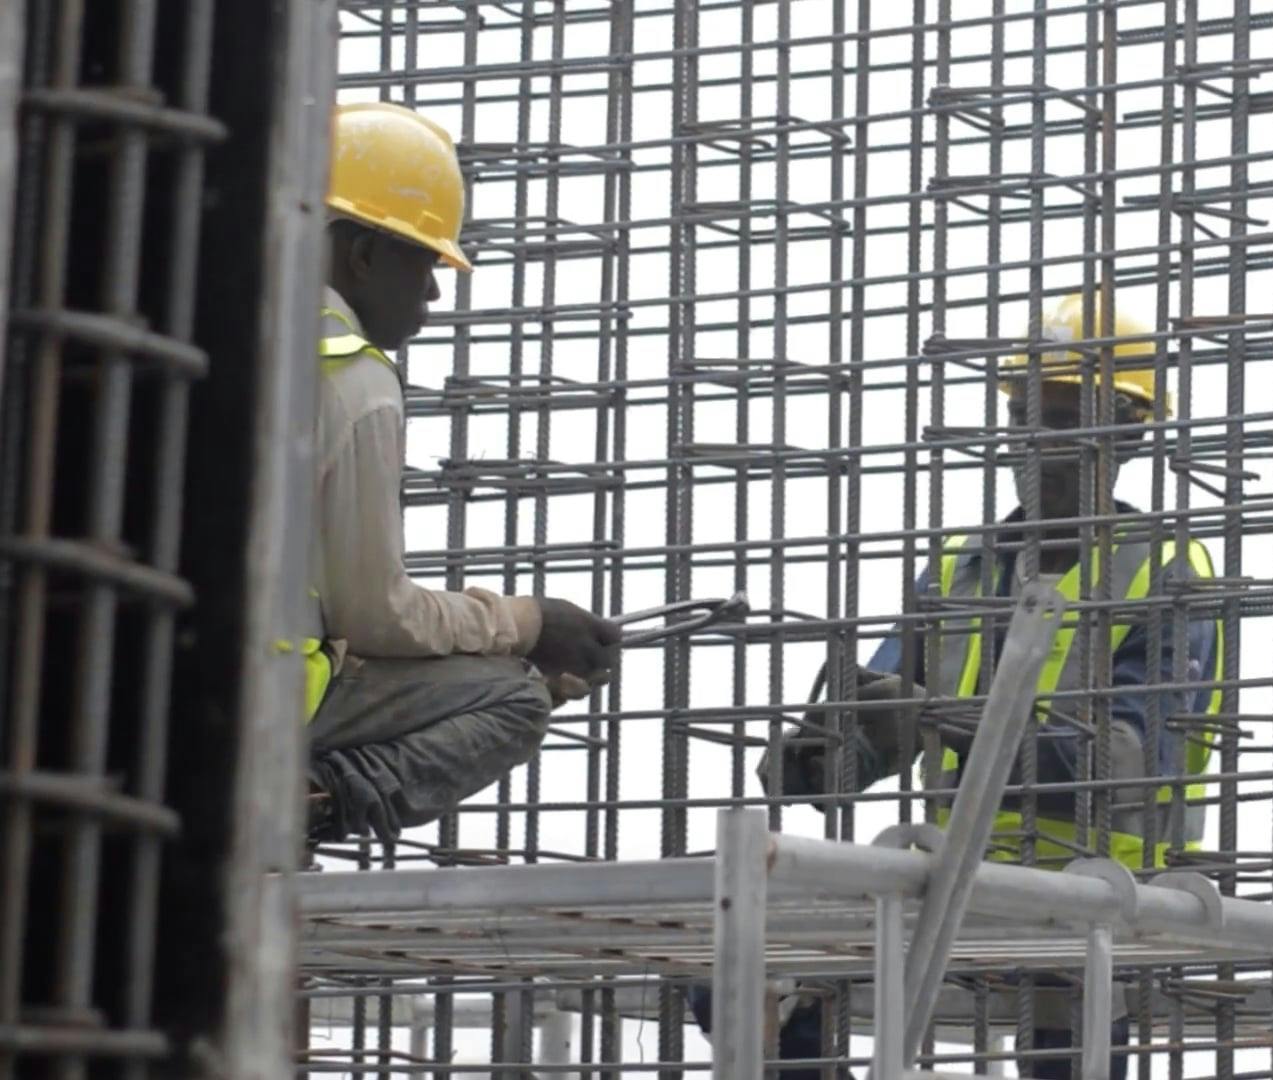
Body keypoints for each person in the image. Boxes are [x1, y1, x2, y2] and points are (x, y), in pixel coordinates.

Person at [692, 295, 1225, 1078]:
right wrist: (824, 754)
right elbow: (884, 706)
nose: (1042, 439)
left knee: (1064, 1048)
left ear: (1129, 433)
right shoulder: (959, 568)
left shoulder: (1166, 572)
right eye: (1028, 414)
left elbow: (1127, 762)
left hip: (1106, 899)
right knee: (733, 974)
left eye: (1069, 415)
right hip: (958, 884)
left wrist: (944, 723)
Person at [301, 102, 623, 846]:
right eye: (424, 260)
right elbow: (375, 614)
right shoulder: (353, 375)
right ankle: (311, 800)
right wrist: (526, 626)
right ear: (360, 254)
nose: (435, 294)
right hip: (256, 699)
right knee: (514, 701)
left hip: (130, 674)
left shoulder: (207, 331)